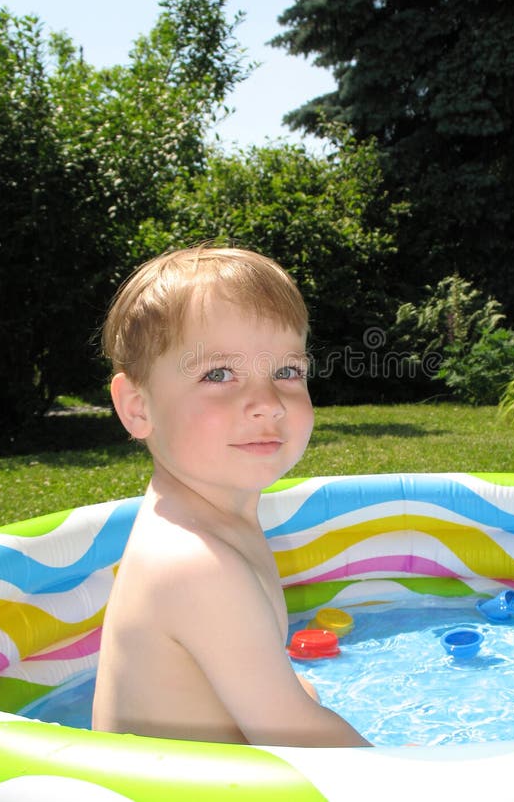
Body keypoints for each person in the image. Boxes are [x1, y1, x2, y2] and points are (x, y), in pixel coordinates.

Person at [92, 245, 370, 747]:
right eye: (217, 375)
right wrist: (414, 779)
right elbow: (302, 741)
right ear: (137, 408)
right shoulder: (194, 564)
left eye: (287, 372)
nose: (267, 404)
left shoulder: (202, 517)